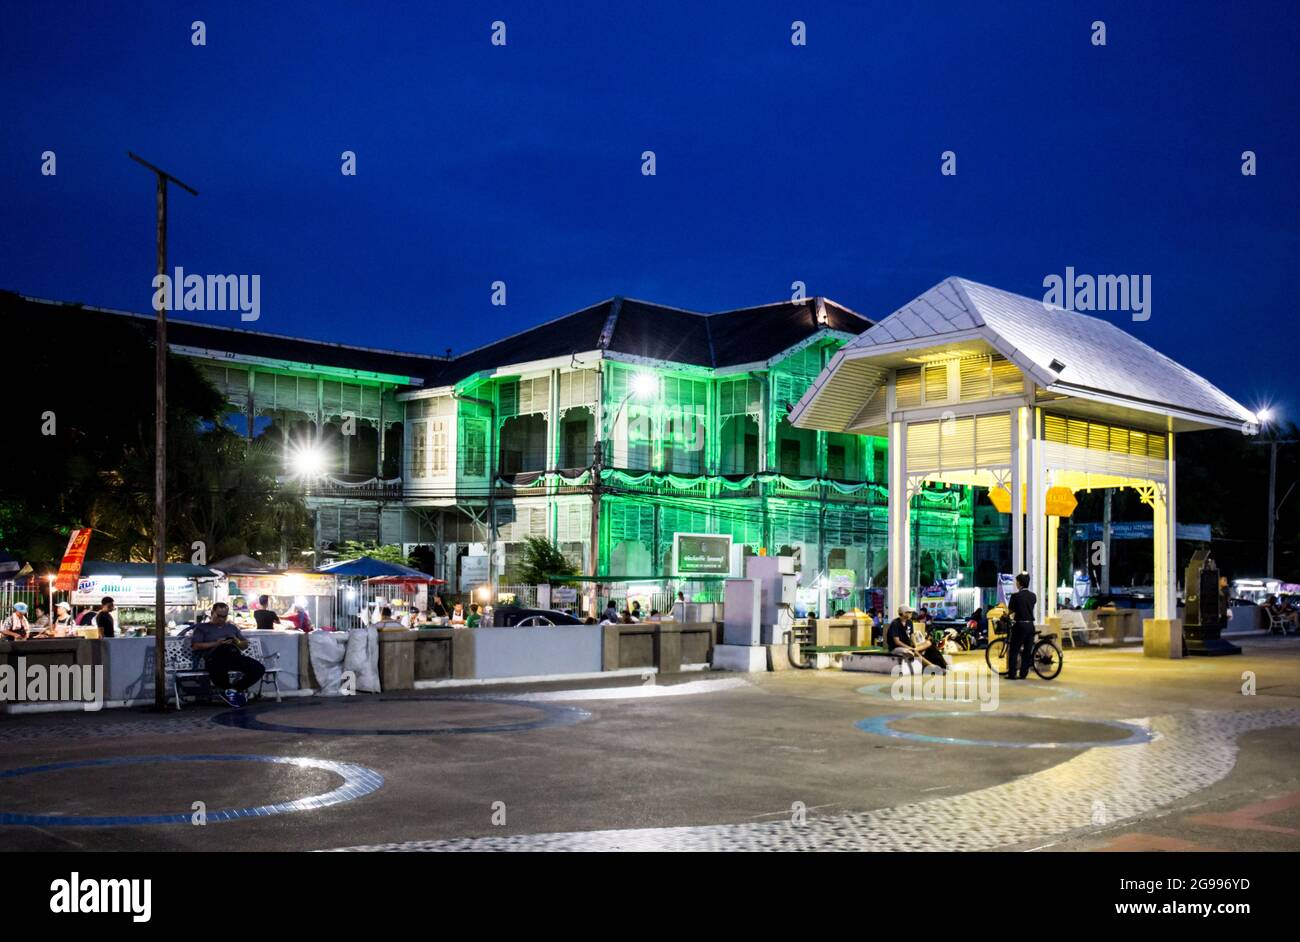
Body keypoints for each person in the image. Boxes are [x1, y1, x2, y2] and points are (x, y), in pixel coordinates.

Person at [188, 602, 265, 708]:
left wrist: (236, 641)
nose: (222, 619)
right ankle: (230, 691)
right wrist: (217, 643)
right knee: (218, 669)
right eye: (219, 616)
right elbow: (195, 646)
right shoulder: (202, 628)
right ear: (212, 613)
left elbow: (244, 644)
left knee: (258, 668)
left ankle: (233, 690)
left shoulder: (231, 628)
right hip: (214, 657)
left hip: (233, 655)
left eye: (224, 616)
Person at [885, 605, 946, 672]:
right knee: (913, 651)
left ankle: (915, 649)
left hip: (909, 646)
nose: (911, 614)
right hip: (896, 647)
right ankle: (932, 667)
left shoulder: (909, 622)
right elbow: (897, 642)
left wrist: (915, 645)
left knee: (928, 643)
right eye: (909, 612)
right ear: (903, 613)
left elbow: (912, 635)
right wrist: (910, 648)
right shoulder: (895, 623)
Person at [1006, 572, 1037, 680]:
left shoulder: (1015, 596)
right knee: (1027, 651)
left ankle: (1012, 674)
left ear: (1019, 583)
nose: (1016, 584)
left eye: (1016, 582)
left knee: (1014, 650)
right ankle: (1023, 674)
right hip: (1030, 626)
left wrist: (1004, 615)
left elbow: (1010, 611)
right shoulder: (1033, 596)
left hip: (1019, 626)